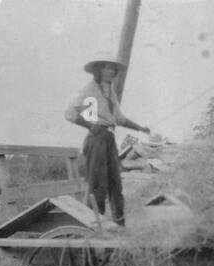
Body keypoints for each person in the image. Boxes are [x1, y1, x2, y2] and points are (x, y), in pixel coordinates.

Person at [64, 51, 150, 228]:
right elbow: (70, 113)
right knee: (98, 186)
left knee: (116, 186)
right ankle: (94, 228)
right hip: (97, 140)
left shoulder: (110, 91)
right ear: (98, 70)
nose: (111, 72)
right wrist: (89, 125)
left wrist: (140, 128)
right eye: (107, 68)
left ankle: (120, 227)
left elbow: (119, 118)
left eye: (113, 69)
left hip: (109, 139)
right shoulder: (90, 90)